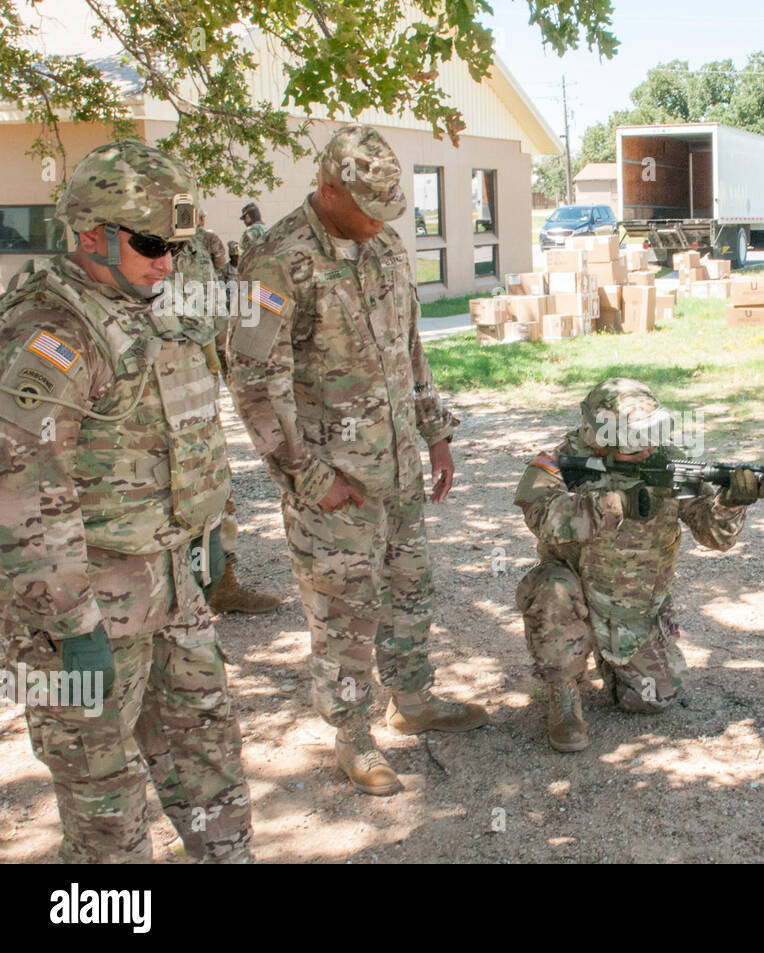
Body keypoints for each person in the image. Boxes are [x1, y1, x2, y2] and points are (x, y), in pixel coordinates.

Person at [0, 140, 253, 861]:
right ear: (89, 236)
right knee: (107, 817)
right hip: (84, 624)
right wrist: (71, 624)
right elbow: (18, 491)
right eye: (150, 243)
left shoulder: (149, 304)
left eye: (178, 244)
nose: (168, 261)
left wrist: (202, 540)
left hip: (174, 599)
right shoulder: (50, 330)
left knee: (214, 781)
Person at [227, 124, 486, 797]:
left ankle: (412, 698)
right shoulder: (277, 261)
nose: (380, 222)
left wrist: (434, 433)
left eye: (390, 208)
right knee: (343, 614)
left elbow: (410, 349)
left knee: (409, 591)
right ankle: (353, 735)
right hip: (336, 485)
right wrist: (311, 477)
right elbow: (255, 383)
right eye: (369, 208)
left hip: (397, 468)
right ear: (329, 188)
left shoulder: (387, 245)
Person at [514, 378, 764, 752]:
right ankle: (563, 692)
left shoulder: (668, 462)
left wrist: (732, 503)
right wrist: (616, 505)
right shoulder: (560, 461)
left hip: (633, 609)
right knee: (551, 588)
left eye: (652, 438)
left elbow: (715, 536)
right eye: (636, 442)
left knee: (653, 699)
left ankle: (610, 660)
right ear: (600, 438)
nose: (649, 450)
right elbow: (543, 517)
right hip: (576, 596)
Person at [172, 235, 279, 616]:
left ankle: (221, 582)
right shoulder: (135, 244)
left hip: (201, 386)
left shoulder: (201, 246)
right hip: (154, 394)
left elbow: (220, 304)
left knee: (216, 484)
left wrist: (231, 360)